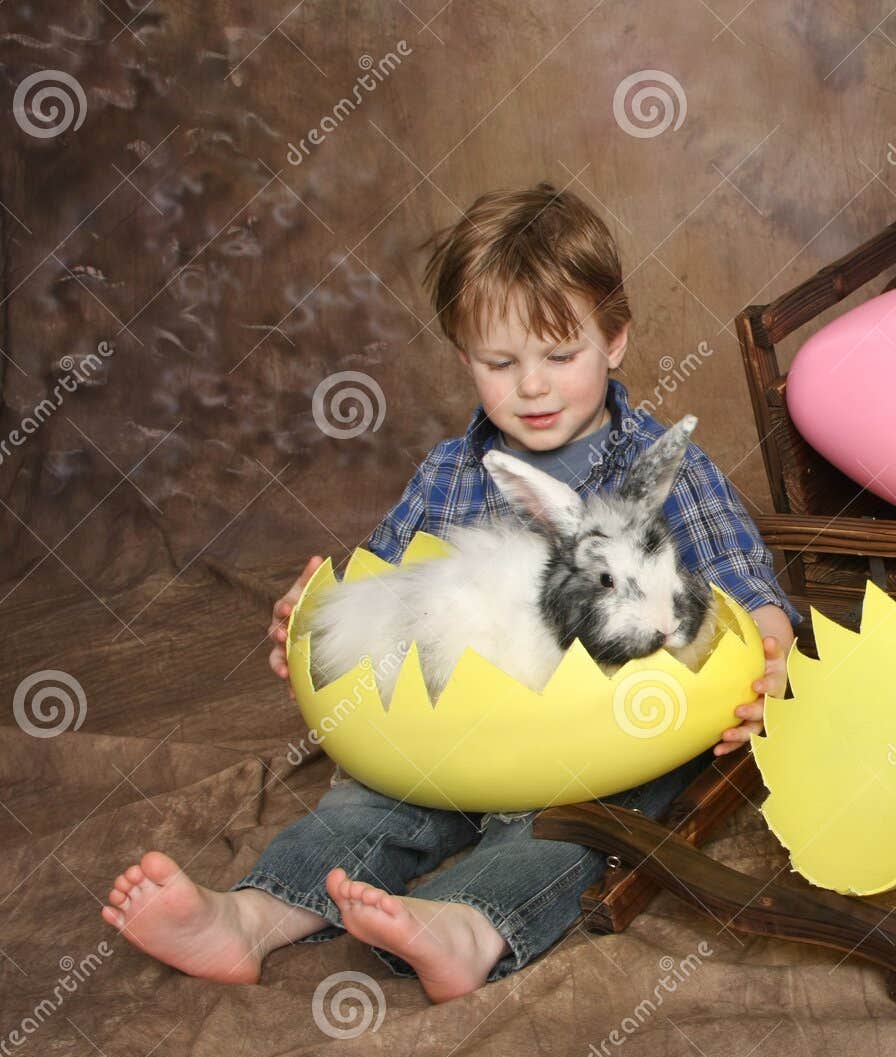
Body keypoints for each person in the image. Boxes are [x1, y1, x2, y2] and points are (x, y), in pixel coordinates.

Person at [102, 182, 801, 1002]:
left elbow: (740, 582)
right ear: (464, 354)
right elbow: (383, 585)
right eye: (499, 364)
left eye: (558, 356)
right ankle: (251, 916)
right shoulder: (447, 472)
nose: (531, 388)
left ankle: (466, 924)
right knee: (368, 799)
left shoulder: (664, 470)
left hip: (598, 736)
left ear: (614, 339)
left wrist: (772, 659)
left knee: (579, 822)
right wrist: (312, 627)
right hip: (453, 729)